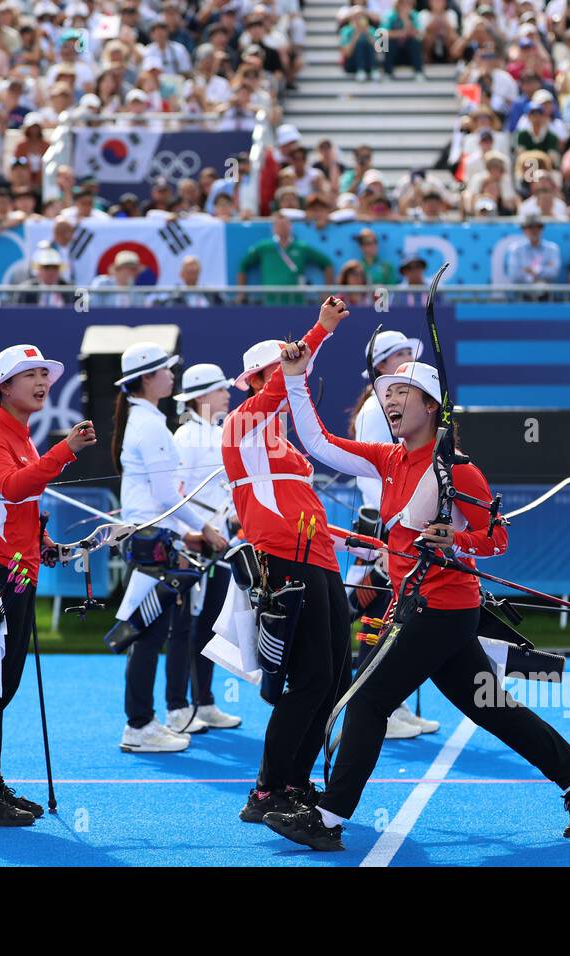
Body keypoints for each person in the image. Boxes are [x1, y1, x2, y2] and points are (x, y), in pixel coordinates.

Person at [263, 343, 570, 851]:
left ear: (432, 406)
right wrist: (295, 378)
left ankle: (330, 819)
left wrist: (458, 540)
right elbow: (317, 441)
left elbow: (497, 539)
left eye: (404, 392)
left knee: (364, 703)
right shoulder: (387, 459)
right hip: (429, 607)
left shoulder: (457, 467)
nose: (391, 400)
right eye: (388, 393)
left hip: (440, 608)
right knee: (494, 708)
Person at [221, 296, 352, 823]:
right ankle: (268, 790)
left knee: (335, 676)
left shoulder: (278, 438)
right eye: (280, 370)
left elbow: (297, 504)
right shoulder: (240, 424)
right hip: (285, 559)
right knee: (309, 678)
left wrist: (348, 536)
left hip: (317, 555)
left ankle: (295, 780)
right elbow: (283, 389)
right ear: (257, 381)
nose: (293, 377)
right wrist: (319, 331)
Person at [0, 345, 97, 827]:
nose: (41, 382)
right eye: (29, 375)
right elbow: (13, 487)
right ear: (4, 387)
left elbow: (20, 505)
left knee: (3, 685)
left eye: (44, 374)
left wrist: (44, 541)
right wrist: (66, 451)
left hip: (17, 571)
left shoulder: (22, 436)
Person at [112, 343, 229, 751]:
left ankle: (144, 721)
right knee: (148, 633)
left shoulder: (146, 421)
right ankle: (140, 724)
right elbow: (166, 497)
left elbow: (164, 497)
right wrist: (204, 530)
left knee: (149, 632)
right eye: (164, 370)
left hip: (157, 538)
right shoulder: (151, 425)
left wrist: (191, 533)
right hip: (153, 541)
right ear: (147, 378)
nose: (171, 377)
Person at [346, 329, 439, 740]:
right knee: (374, 611)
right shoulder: (374, 409)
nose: (407, 358)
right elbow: (377, 477)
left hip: (399, 527)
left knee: (389, 612)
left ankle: (390, 701)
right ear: (381, 366)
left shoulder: (393, 408)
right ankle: (374, 700)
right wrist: (391, 531)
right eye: (399, 355)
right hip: (385, 529)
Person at [168, 364, 244, 733]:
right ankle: (177, 707)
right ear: (200, 397)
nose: (227, 395)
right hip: (195, 546)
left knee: (212, 628)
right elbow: (175, 494)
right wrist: (191, 535)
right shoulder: (184, 436)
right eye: (219, 390)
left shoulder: (216, 433)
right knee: (184, 628)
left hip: (219, 544)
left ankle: (205, 702)